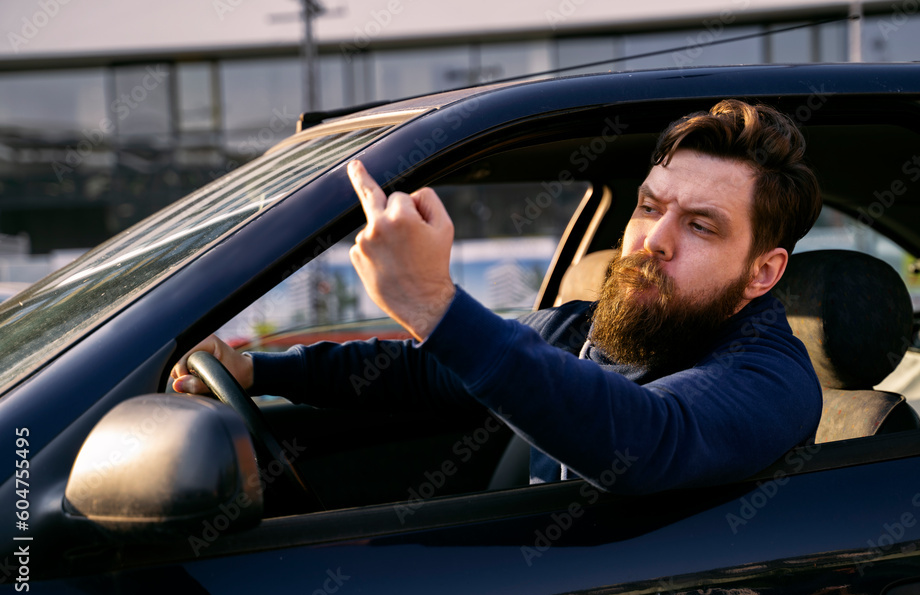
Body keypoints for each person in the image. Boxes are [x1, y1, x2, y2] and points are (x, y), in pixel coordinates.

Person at [172, 99, 824, 494]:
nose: (653, 238)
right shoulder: (586, 329)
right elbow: (430, 370)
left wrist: (436, 301)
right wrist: (257, 370)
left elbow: (648, 440)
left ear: (762, 273)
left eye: (701, 225)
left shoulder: (770, 376)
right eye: (649, 207)